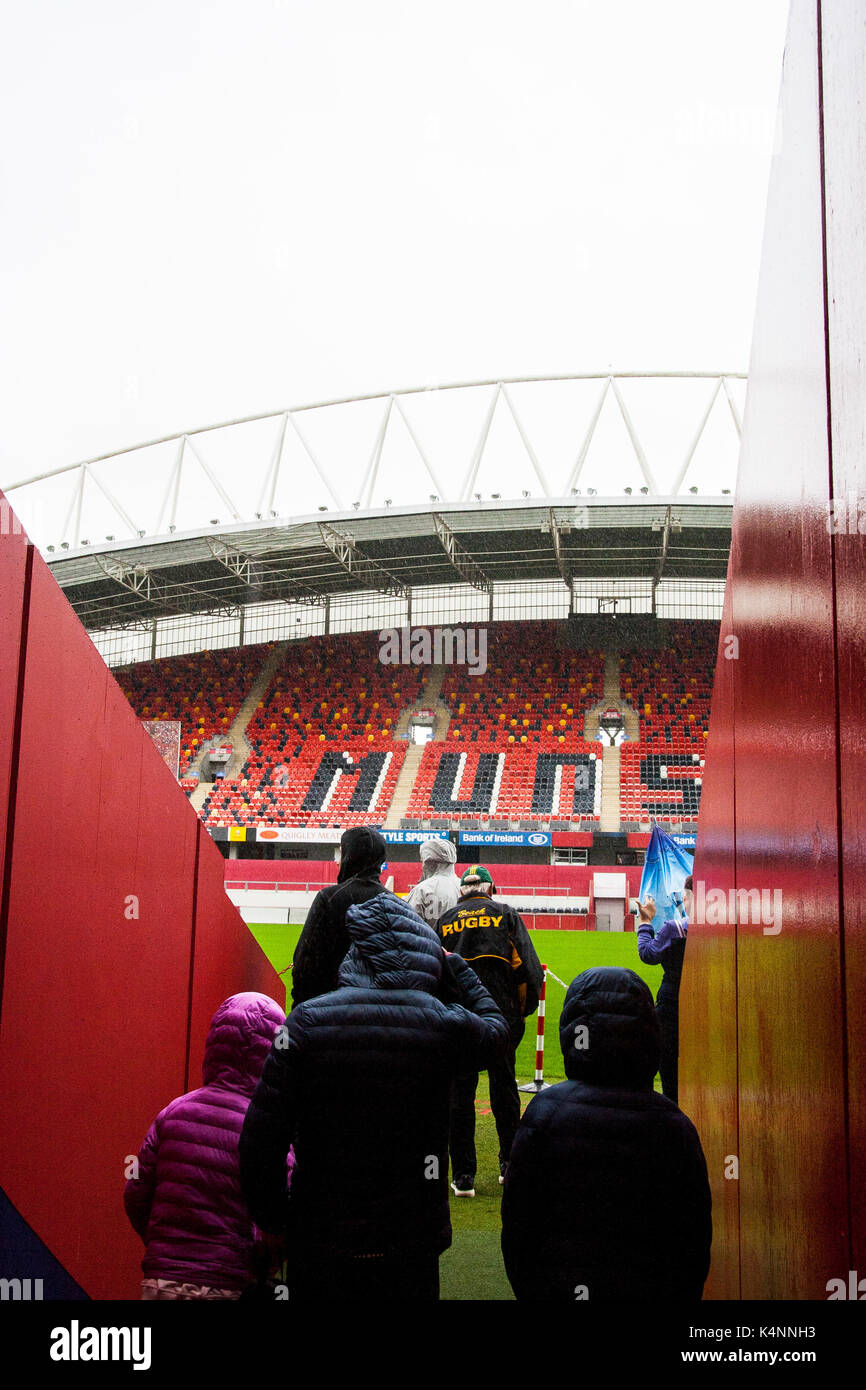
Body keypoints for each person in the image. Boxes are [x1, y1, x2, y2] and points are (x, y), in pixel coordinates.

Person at [239, 891, 508, 1300]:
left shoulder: (306, 1022)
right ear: (423, 950)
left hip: (321, 1240)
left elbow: (261, 1141)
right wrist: (455, 966)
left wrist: (274, 1221)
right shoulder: (439, 1022)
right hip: (412, 1241)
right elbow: (496, 1031)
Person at [500, 966, 711, 1301]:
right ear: (650, 1030)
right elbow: (692, 1242)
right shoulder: (674, 1125)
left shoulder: (544, 1114)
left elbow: (518, 1228)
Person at [123, 992, 288, 1300]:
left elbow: (135, 1191)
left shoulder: (173, 1114)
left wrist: (166, 1247)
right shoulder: (269, 1127)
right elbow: (282, 1211)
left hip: (162, 1281)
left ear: (214, 1043)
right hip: (230, 1281)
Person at [434, 865, 543, 1196]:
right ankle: (509, 1165)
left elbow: (432, 969)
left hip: (459, 1018)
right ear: (490, 889)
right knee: (505, 1089)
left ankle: (463, 1176)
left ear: (463, 890)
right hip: (502, 1017)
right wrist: (521, 1014)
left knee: (460, 1094)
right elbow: (531, 970)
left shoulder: (446, 919)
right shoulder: (506, 914)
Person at [291, 825, 389, 1005]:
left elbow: (304, 964)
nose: (337, 861)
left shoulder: (329, 899)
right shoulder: (395, 903)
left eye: (341, 853)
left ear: (350, 856)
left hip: (329, 1010)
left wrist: (301, 1008)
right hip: (379, 1012)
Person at [636, 872, 692, 1103]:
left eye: (685, 896)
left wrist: (645, 922)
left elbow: (648, 954)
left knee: (669, 1065)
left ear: (691, 896)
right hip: (709, 1003)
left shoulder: (675, 928)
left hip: (673, 1004)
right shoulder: (726, 928)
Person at [405, 836, 461, 928]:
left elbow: (409, 926)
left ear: (429, 861)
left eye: (422, 859)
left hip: (428, 941)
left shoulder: (422, 890)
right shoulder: (464, 887)